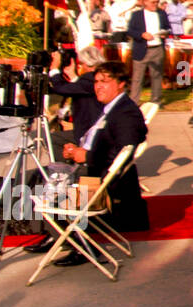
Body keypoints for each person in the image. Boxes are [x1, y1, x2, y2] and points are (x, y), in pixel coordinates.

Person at [53, 61, 150, 264]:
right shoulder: (112, 108)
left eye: (105, 82)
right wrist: (77, 151)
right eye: (96, 81)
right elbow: (104, 144)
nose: (98, 86)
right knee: (44, 175)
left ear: (121, 83)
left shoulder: (125, 113)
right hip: (92, 169)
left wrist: (86, 157)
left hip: (101, 181)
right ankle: (55, 236)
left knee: (43, 180)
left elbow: (122, 152)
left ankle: (74, 242)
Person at [127, 0, 169, 105]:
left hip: (157, 48)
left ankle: (156, 101)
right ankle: (134, 102)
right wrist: (142, 34)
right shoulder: (137, 15)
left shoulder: (162, 13)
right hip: (142, 49)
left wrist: (165, 33)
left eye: (157, 2)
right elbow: (130, 31)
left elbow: (168, 27)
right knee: (137, 78)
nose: (155, 4)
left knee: (156, 76)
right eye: (153, 2)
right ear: (145, 2)